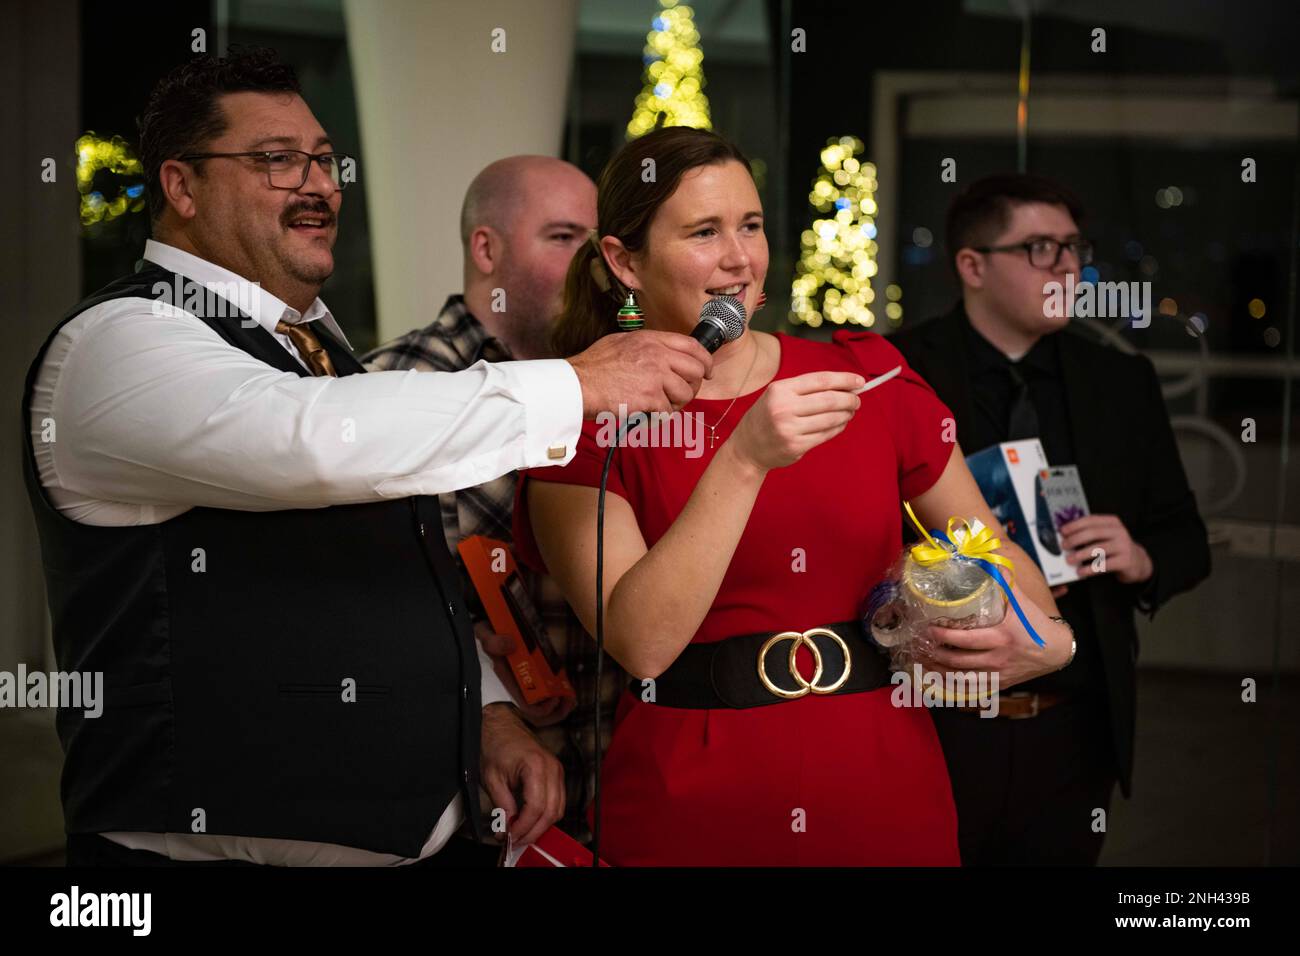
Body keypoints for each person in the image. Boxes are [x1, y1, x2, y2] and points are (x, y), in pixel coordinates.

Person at [23, 48, 713, 867]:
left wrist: (486, 714)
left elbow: (396, 571)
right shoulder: (117, 340)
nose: (318, 183)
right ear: (181, 187)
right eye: (277, 161)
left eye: (322, 159)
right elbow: (306, 442)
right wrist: (572, 384)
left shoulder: (316, 347)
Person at [511, 127, 1077, 866]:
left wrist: (1049, 641)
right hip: (693, 793)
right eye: (704, 232)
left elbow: (992, 547)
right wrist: (744, 458)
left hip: (881, 780)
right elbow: (641, 640)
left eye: (750, 226)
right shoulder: (585, 421)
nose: (740, 258)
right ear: (624, 262)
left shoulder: (866, 377)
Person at [890, 173, 1212, 865]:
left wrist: (1141, 557)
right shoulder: (898, 371)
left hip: (1073, 730)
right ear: (972, 266)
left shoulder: (1122, 382)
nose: (1069, 267)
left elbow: (1187, 540)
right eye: (1040, 248)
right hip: (927, 722)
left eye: (1073, 247)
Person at [364, 155, 624, 842]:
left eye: (597, 244)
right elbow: (367, 606)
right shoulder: (400, 385)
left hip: (617, 780)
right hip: (477, 806)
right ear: (486, 249)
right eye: (564, 238)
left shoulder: (617, 384)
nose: (592, 265)